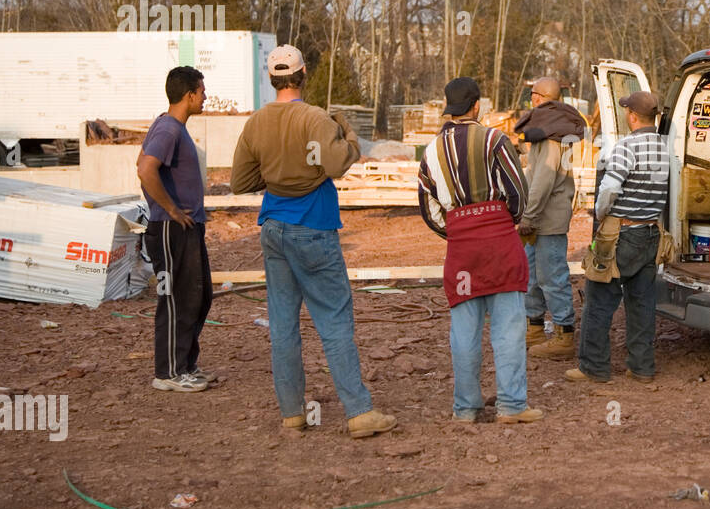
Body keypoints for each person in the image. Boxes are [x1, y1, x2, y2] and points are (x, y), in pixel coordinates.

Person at [230, 45, 397, 439]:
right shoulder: (316, 118)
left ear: (272, 79)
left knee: (283, 324)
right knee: (334, 321)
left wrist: (276, 177)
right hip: (314, 228)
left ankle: (292, 413)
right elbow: (337, 165)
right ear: (303, 75)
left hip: (274, 227)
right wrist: (349, 137)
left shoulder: (255, 123)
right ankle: (358, 413)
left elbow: (240, 181)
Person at [418, 76, 543, 424]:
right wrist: (503, 221)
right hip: (500, 244)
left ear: (448, 107)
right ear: (477, 106)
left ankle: (466, 408)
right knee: (508, 328)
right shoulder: (494, 140)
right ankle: (512, 406)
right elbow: (517, 193)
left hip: (461, 250)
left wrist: (458, 229)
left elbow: (429, 209)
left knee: (464, 330)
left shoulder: (430, 152)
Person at [567, 90, 668, 384]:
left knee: (599, 301)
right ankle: (642, 367)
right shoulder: (664, 148)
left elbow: (610, 189)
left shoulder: (627, 146)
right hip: (651, 233)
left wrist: (600, 212)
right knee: (641, 304)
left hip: (621, 234)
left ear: (633, 116)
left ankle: (594, 368)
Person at [137, 66, 213, 393]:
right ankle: (168, 373)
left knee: (199, 296)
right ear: (189, 95)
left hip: (187, 227)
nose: (205, 96)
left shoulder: (171, 127)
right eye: (202, 91)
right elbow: (144, 169)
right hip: (171, 230)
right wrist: (168, 208)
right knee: (176, 300)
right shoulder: (168, 129)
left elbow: (140, 161)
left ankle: (185, 364)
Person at [513, 76, 586, 360]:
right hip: (537, 216)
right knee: (532, 274)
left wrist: (528, 216)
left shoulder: (552, 133)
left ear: (539, 97)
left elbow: (544, 178)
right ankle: (533, 328)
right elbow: (534, 172)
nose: (530, 100)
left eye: (532, 95)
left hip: (547, 217)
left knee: (552, 276)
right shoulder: (549, 128)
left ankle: (563, 335)